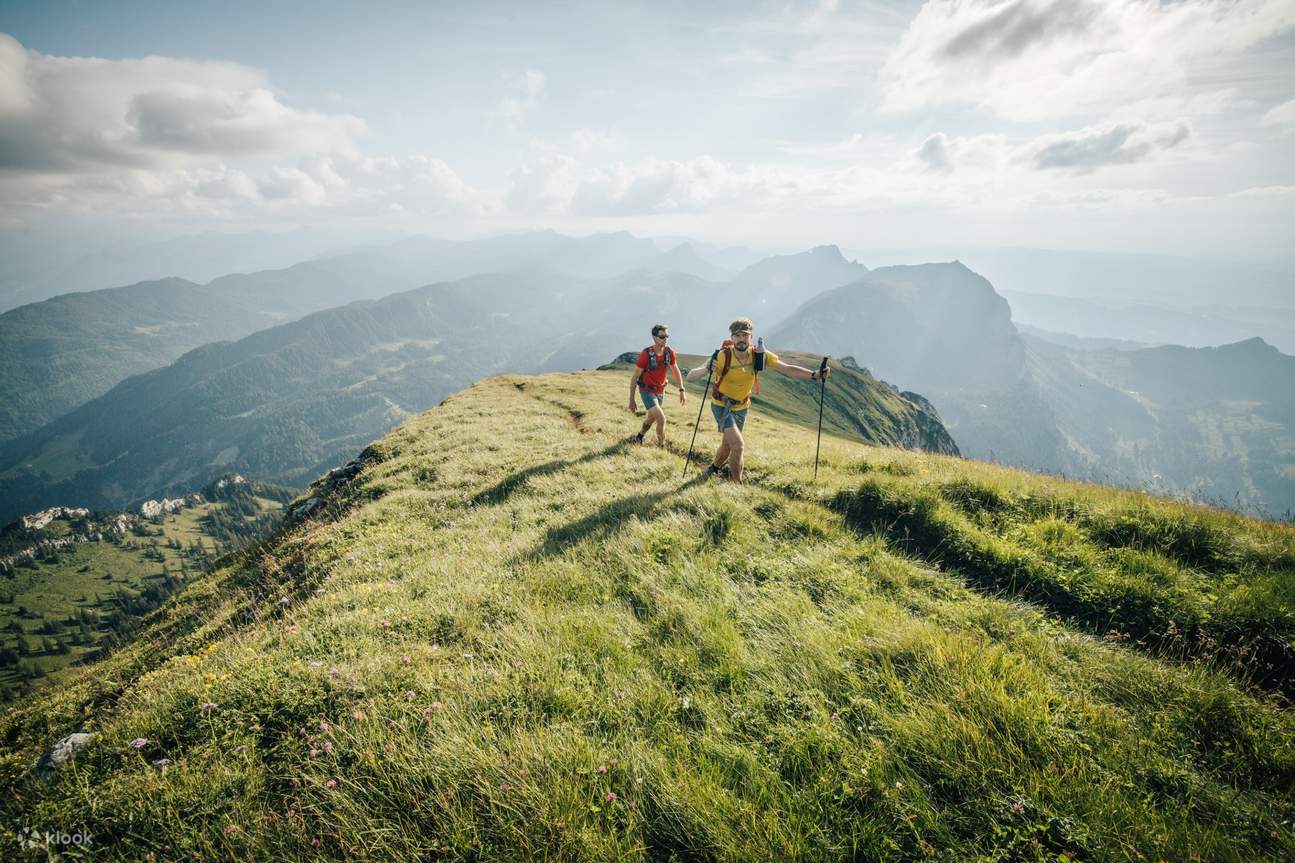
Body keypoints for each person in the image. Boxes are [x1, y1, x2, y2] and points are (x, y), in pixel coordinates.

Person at [684, 317, 829, 482]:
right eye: (737, 336)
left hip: (742, 407)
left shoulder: (758, 355)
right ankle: (736, 485)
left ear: (751, 337)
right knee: (738, 446)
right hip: (721, 405)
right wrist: (707, 368)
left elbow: (787, 369)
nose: (741, 339)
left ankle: (713, 468)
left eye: (745, 335)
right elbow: (690, 377)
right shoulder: (723, 356)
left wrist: (814, 375)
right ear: (732, 338)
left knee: (727, 445)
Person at [629, 323, 685, 445]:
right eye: (662, 337)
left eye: (666, 336)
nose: (665, 339)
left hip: (660, 391)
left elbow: (675, 370)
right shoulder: (646, 354)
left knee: (651, 419)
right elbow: (634, 378)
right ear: (654, 337)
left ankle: (639, 437)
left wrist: (681, 389)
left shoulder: (669, 352)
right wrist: (631, 400)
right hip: (647, 391)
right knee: (661, 418)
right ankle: (661, 446)